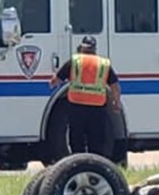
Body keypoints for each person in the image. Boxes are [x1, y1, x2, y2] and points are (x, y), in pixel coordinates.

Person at [49, 36, 127, 164]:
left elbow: (55, 81)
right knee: (96, 142)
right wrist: (116, 102)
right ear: (94, 49)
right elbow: (115, 86)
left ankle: (79, 165)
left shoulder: (75, 61)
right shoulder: (103, 64)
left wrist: (52, 82)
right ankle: (94, 166)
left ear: (82, 47)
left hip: (76, 107)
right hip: (97, 108)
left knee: (77, 141)